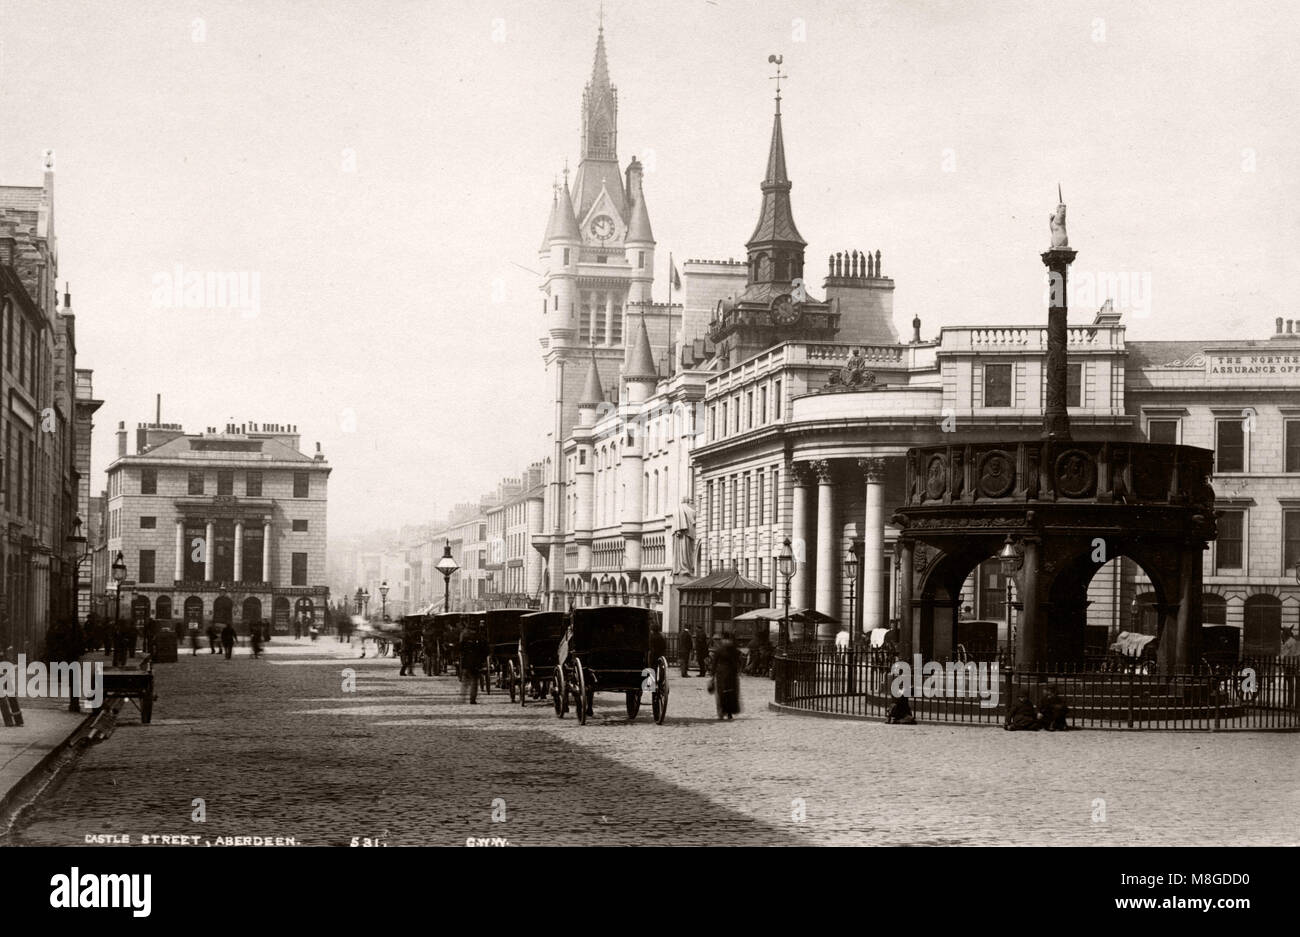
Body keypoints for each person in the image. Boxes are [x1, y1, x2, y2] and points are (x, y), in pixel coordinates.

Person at [711, 632, 741, 720]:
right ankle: (729, 712)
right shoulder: (733, 649)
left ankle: (721, 711)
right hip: (731, 674)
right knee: (730, 693)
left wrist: (712, 675)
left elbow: (714, 663)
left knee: (721, 693)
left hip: (721, 674)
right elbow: (737, 661)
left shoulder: (719, 649)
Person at [459, 623, 488, 704]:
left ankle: (463, 696)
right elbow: (485, 650)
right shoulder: (480, 638)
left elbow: (460, 648)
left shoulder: (465, 637)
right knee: (474, 681)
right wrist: (482, 660)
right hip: (476, 661)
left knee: (465, 680)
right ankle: (472, 699)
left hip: (466, 661)